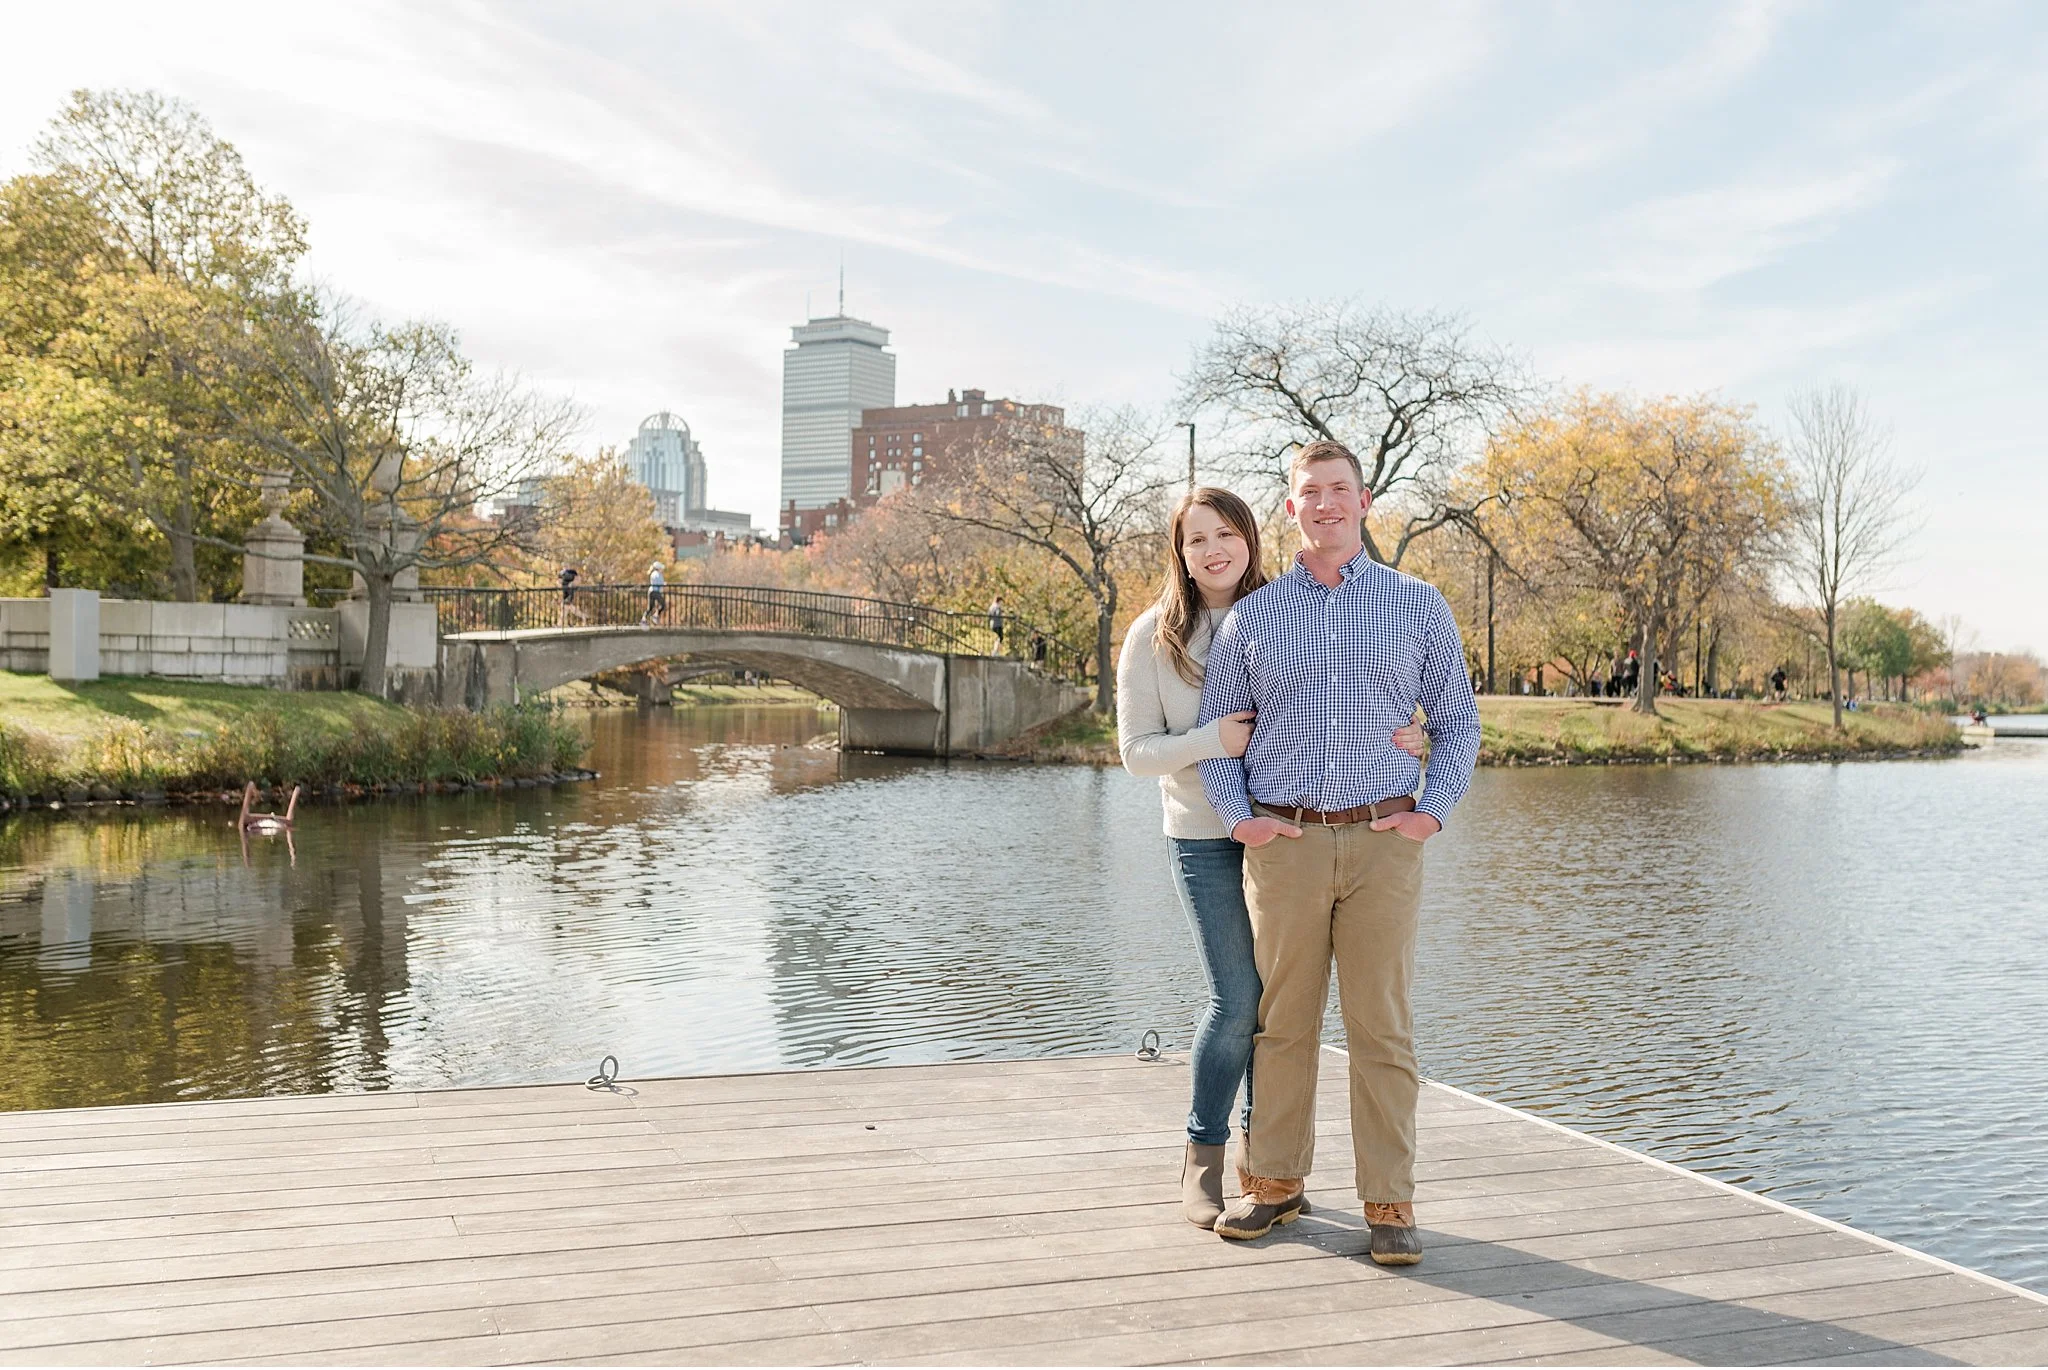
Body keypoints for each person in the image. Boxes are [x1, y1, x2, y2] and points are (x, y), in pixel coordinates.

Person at [1197, 440, 1481, 1266]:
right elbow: (1221, 736)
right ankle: (1275, 1188)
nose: (1325, 503)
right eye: (1309, 492)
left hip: (1384, 842)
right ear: (1291, 509)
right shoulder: (1253, 618)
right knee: (1280, 1023)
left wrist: (1432, 813)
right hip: (1282, 842)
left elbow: (1458, 722)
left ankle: (1389, 1203)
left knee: (1380, 1027)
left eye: (1339, 490)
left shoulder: (1418, 605)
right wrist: (1238, 818)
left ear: (1364, 502)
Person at [1117, 485, 1427, 1230]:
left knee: (1284, 1006)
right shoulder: (1153, 635)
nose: (1214, 549)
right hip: (1205, 834)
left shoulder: (1289, 609)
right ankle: (1206, 1155)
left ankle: (1274, 1168)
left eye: (1227, 533)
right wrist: (1213, 744)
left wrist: (1413, 734)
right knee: (1238, 1001)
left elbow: (1360, 700)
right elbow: (1134, 753)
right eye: (1197, 539)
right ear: (1180, 554)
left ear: (1253, 538)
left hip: (1293, 836)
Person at [641, 560, 666, 626]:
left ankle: (644, 619)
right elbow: (659, 584)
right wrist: (664, 584)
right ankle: (655, 615)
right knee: (663, 604)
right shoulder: (658, 574)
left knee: (650, 608)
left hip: (651, 591)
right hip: (656, 591)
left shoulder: (653, 574)